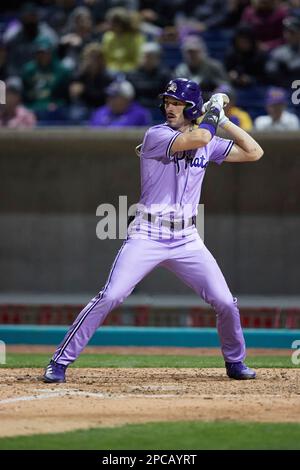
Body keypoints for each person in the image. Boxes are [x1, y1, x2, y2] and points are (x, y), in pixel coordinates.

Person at [43, 77, 263, 384]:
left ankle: (236, 361)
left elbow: (254, 152)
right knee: (111, 295)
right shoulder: (156, 135)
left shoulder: (208, 141)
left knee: (225, 302)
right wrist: (212, 112)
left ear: (192, 108)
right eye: (168, 102)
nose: (170, 108)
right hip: (148, 233)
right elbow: (198, 137)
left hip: (187, 238)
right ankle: (59, 361)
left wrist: (223, 119)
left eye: (178, 104)